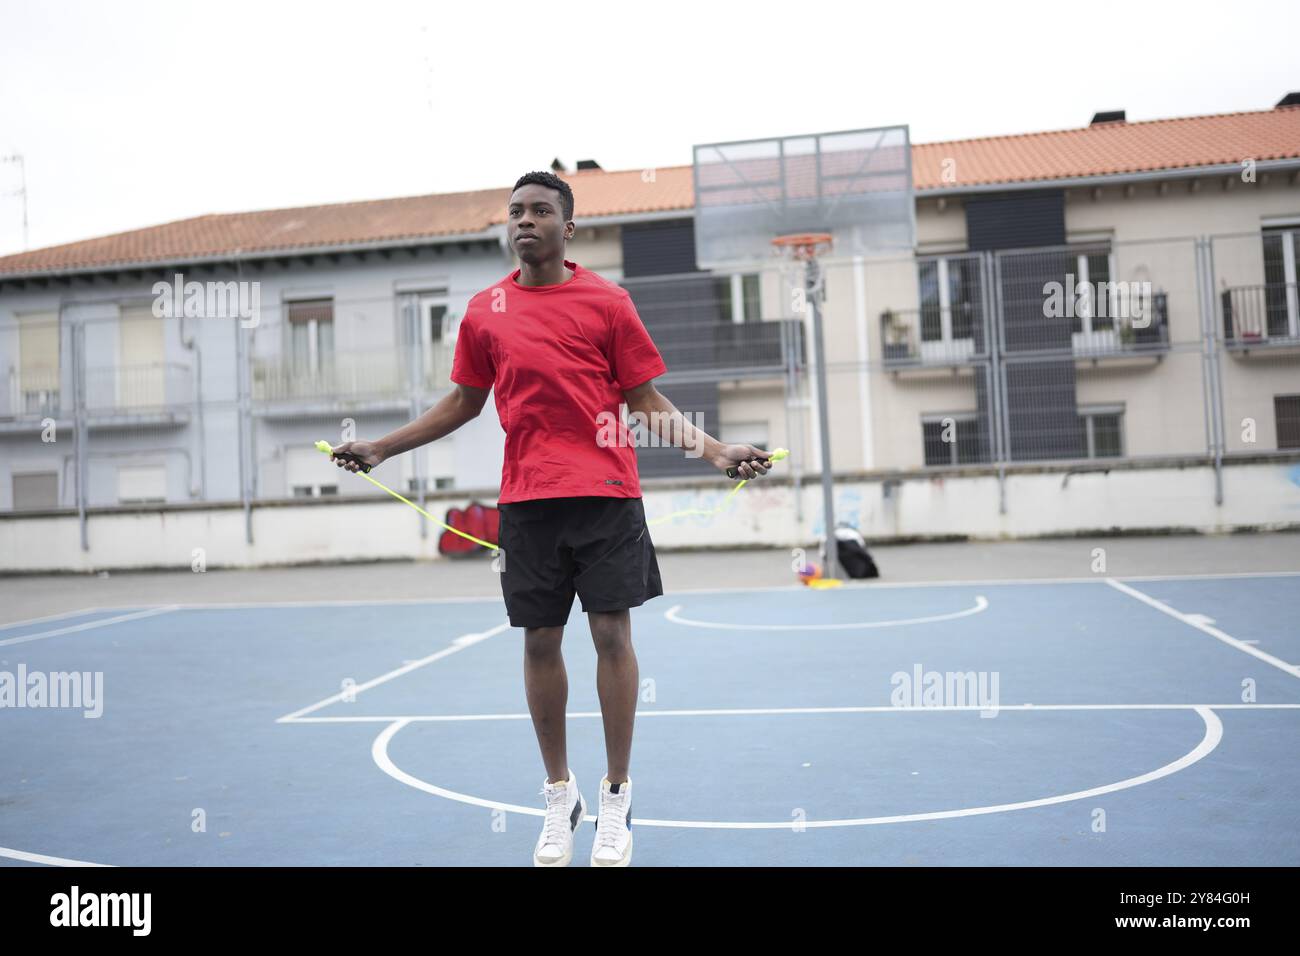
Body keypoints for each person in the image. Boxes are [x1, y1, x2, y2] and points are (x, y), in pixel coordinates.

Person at [329, 170, 772, 867]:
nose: (525, 220)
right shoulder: (485, 311)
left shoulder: (608, 303)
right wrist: (382, 447)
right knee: (540, 643)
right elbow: (461, 405)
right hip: (529, 503)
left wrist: (717, 454)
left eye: (540, 211)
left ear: (569, 229)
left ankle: (617, 795)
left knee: (610, 635)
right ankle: (558, 793)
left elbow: (647, 402)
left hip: (606, 496)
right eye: (516, 212)